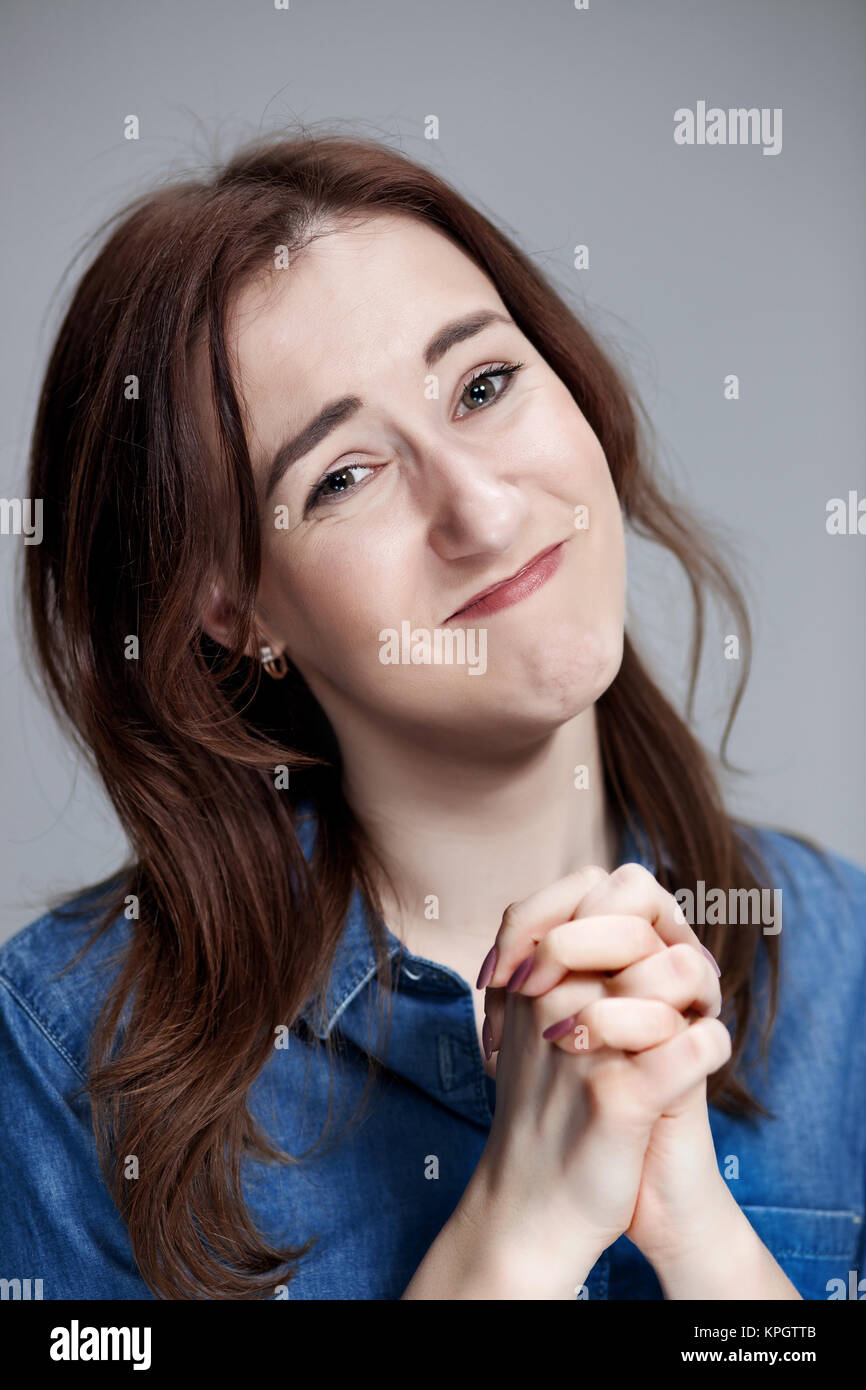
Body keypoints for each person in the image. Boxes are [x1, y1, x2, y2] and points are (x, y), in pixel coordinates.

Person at [1, 130, 863, 1301]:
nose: (483, 506)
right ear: (229, 605)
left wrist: (704, 1245)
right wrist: (519, 1230)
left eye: (483, 385)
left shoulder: (845, 965)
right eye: (343, 476)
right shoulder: (65, 1064)